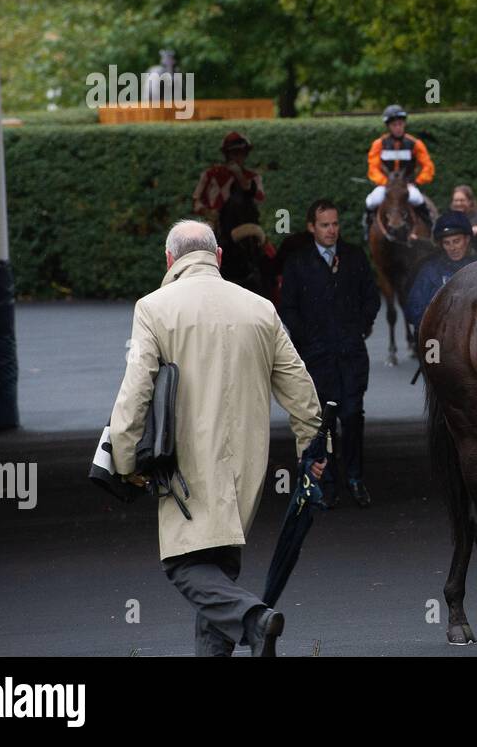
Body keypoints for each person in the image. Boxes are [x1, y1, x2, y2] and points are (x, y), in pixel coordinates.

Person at [108, 219, 324, 657]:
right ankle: (246, 624)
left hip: (184, 467)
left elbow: (136, 393)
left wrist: (123, 459)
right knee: (217, 574)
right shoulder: (261, 308)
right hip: (246, 468)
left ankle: (255, 619)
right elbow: (301, 389)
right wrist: (311, 450)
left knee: (184, 566)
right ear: (218, 256)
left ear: (169, 260)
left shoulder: (154, 308)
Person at [279, 199, 381, 509]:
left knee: (353, 416)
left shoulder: (353, 257)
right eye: (325, 225)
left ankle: (355, 478)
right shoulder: (298, 263)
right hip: (318, 355)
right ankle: (329, 482)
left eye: (335, 224)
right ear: (312, 227)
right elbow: (288, 307)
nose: (332, 230)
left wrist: (360, 327)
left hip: (350, 351)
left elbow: (371, 296)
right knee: (324, 421)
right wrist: (307, 340)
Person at [404, 210, 477, 329]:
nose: (452, 248)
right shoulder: (429, 270)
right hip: (437, 337)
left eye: (456, 241)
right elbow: (413, 310)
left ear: (467, 239)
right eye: (447, 243)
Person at [365, 105, 434, 225]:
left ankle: (429, 224)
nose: (398, 128)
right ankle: (367, 227)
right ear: (388, 126)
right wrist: (385, 182)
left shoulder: (415, 143)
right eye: (394, 125)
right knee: (371, 201)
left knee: (417, 199)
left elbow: (428, 166)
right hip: (386, 185)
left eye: (400, 124)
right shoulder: (379, 144)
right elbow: (373, 168)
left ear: (404, 124)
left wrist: (417, 181)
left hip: (407, 185)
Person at [192, 131, 266, 231]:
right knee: (206, 234)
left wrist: (240, 176)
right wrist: (208, 212)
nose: (239, 157)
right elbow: (196, 200)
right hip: (216, 222)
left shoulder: (253, 177)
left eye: (242, 153)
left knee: (260, 238)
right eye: (235, 153)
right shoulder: (210, 174)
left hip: (244, 222)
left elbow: (259, 199)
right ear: (227, 154)